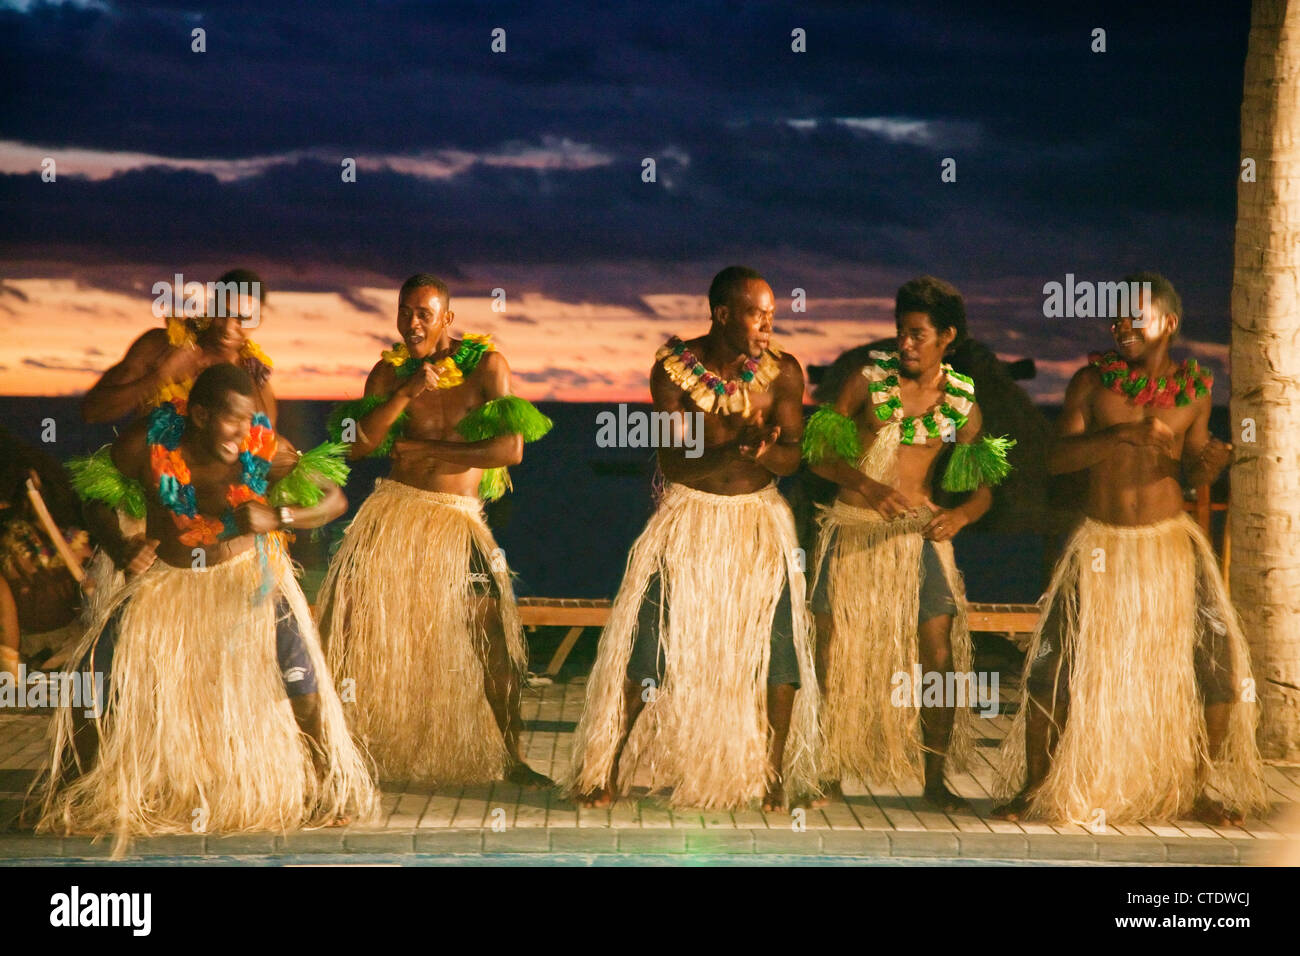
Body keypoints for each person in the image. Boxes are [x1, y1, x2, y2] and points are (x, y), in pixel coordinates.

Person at [36, 363, 376, 847]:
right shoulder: (144, 446)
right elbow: (94, 497)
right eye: (233, 420)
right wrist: (119, 544)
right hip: (166, 586)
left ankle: (329, 786)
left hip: (245, 581)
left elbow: (334, 500)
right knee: (96, 674)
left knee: (300, 678)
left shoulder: (266, 449)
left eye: (250, 419)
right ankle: (68, 794)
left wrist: (278, 515)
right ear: (198, 414)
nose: (245, 432)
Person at [994, 272, 1265, 827]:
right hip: (1100, 543)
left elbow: (1190, 467)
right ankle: (1038, 784)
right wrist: (1119, 437)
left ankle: (1195, 786)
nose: (1121, 325)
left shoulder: (1194, 389)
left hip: (1168, 545)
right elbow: (1055, 459)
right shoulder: (1091, 385)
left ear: (1168, 323)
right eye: (1116, 315)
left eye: (1134, 315)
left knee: (1216, 670)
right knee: (1051, 664)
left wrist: (1207, 463)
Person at [566, 266, 818, 812]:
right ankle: (605, 765)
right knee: (649, 636)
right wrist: (734, 451)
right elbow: (673, 460)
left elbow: (793, 457)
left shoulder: (785, 374)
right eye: (756, 313)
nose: (767, 326)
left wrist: (762, 454)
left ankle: (773, 774)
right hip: (689, 519)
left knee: (777, 643)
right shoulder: (674, 373)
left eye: (772, 315)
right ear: (723, 313)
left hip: (757, 523)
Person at [317, 274, 553, 787]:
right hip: (396, 510)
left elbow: (510, 450)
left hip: (457, 515)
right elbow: (357, 446)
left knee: (489, 624)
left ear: (447, 318)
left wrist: (430, 453)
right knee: (347, 622)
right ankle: (330, 752)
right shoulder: (388, 372)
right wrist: (405, 393)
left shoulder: (488, 367)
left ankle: (510, 756)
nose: (412, 322)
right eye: (405, 312)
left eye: (424, 313)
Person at [803, 276, 1013, 810]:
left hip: (917, 536)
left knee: (938, 654)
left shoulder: (962, 404)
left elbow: (985, 489)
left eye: (918, 334)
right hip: (854, 529)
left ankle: (935, 776)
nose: (905, 344)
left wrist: (961, 516)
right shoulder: (864, 383)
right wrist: (867, 485)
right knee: (833, 649)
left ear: (947, 337)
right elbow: (818, 456)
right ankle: (825, 770)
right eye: (900, 332)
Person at [76, 269, 277, 625]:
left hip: (214, 540)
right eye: (224, 311)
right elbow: (92, 410)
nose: (230, 327)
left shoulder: (250, 383)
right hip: (144, 523)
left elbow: (260, 470)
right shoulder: (161, 347)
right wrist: (159, 377)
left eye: (244, 318)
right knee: (129, 638)